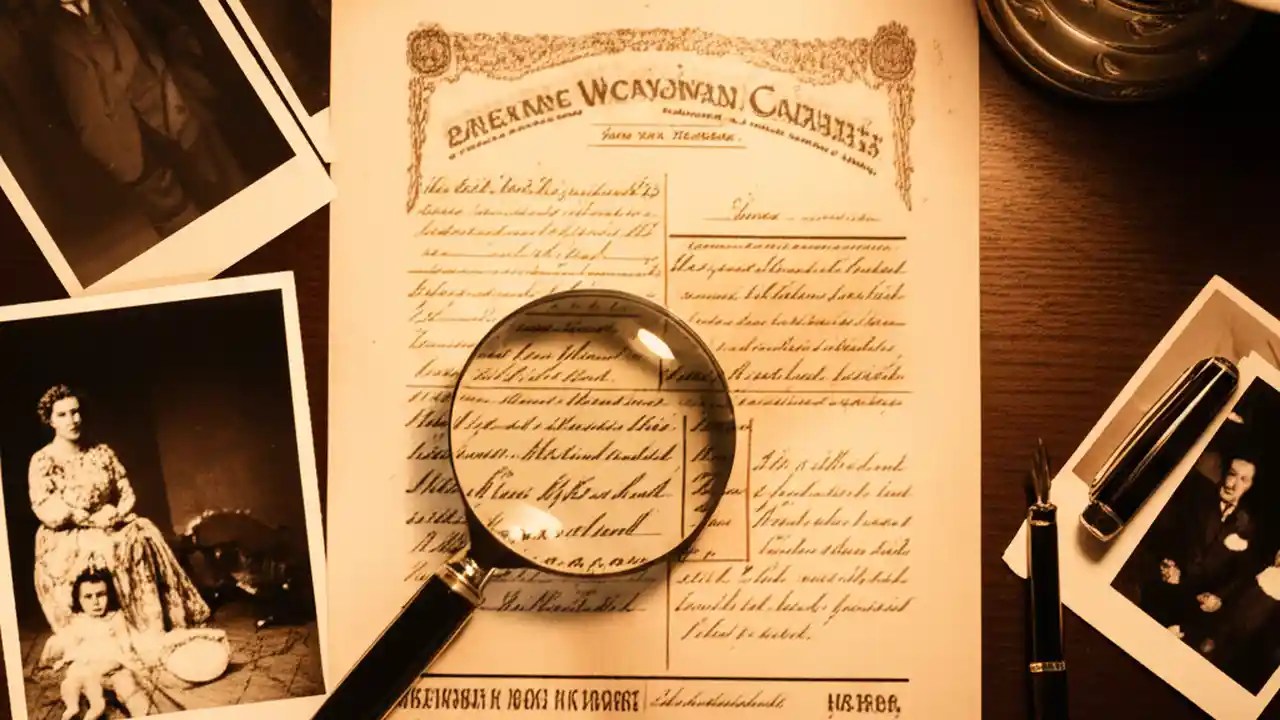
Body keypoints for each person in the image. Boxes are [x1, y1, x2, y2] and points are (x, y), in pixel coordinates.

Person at [36, 0, 246, 237]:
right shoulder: (56, 36)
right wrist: (125, 164)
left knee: (231, 197)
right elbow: (86, 120)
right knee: (187, 229)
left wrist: (182, 73)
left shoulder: (113, 6)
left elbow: (167, 27)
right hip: (137, 153)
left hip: (177, 113)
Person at [29, 384, 211, 635]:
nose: (73, 420)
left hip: (109, 521)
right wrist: (87, 518)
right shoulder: (43, 461)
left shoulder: (101, 452)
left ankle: (152, 625)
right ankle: (115, 630)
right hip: (68, 532)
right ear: (50, 420)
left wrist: (116, 512)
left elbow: (125, 491)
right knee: (108, 547)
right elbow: (45, 505)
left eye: (76, 412)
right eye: (62, 415)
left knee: (143, 534)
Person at [1124, 449, 1261, 631]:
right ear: (1222, 472)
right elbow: (1157, 533)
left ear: (1250, 486)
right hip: (1156, 592)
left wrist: (1219, 598)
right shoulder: (1194, 495)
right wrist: (1166, 563)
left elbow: (1239, 573)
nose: (1232, 484)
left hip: (1192, 614)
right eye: (1231, 474)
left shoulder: (1247, 525)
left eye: (1243, 480)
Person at [38, 566, 151, 719]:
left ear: (109, 595)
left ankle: (140, 713)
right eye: (88, 597)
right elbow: (71, 645)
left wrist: (129, 660)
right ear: (79, 600)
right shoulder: (79, 620)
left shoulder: (115, 617)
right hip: (87, 666)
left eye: (101, 595)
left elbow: (125, 644)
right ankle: (73, 708)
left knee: (128, 685)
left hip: (111, 662)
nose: (96, 602)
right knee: (71, 683)